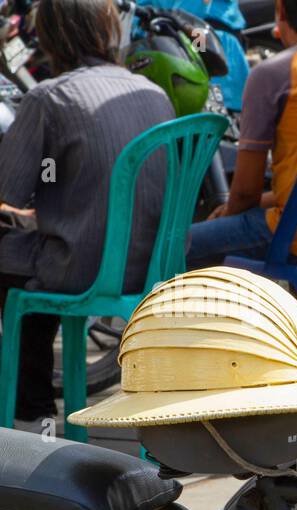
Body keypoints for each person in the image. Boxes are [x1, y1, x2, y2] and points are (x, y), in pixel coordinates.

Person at [0, 0, 173, 427]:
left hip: (82, 269)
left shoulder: (49, 97)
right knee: (32, 250)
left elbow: (7, 191)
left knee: (16, 260)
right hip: (155, 266)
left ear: (48, 37)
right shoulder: (153, 92)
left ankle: (30, 411)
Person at [186, 0, 297, 269]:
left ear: (281, 12)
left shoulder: (272, 74)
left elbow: (245, 193)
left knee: (177, 246)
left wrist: (228, 211)